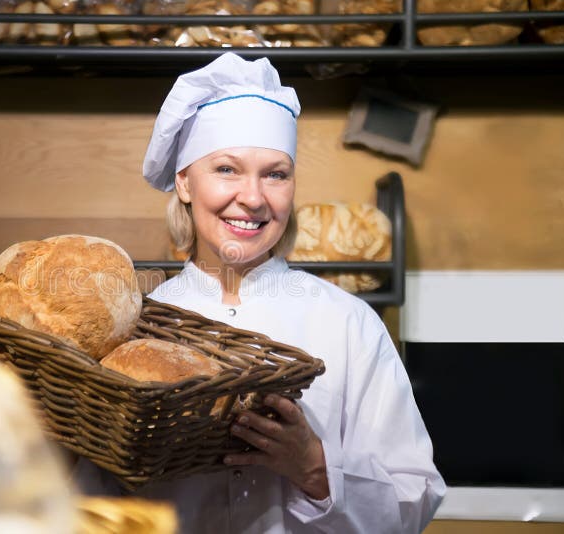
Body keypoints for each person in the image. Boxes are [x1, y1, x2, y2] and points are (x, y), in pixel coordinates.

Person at [74, 52, 446, 533]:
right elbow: (87, 506)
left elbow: (414, 502)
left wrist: (313, 467)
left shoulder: (348, 324)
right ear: (184, 181)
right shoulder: (135, 331)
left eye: (275, 174)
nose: (252, 198)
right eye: (227, 169)